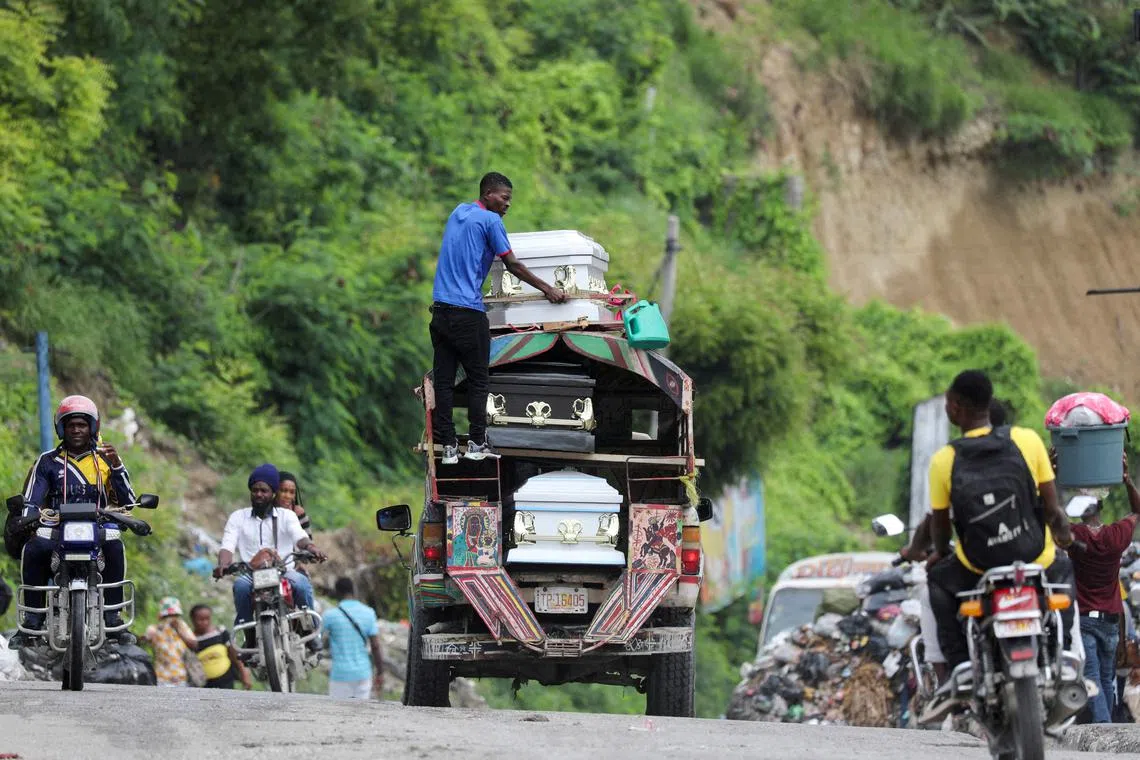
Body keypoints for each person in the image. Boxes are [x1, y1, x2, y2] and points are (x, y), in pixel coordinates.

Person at [924, 370, 1074, 713]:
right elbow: (1053, 510)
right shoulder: (1027, 440)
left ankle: (960, 666)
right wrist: (1065, 536)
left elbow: (941, 529)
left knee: (937, 581)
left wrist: (939, 553)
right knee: (1064, 572)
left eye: (948, 402)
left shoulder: (944, 460)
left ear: (957, 407)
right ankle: (1062, 654)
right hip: (1034, 557)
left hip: (977, 566)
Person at [431, 172, 567, 465]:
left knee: (443, 382)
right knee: (479, 381)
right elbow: (513, 264)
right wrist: (549, 290)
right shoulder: (492, 222)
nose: (508, 205)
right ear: (489, 193)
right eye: (504, 198)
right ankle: (478, 442)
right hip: (468, 313)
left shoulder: (459, 212)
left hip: (440, 312)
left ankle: (450, 447)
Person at [9, 395, 138, 648]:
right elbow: (32, 499)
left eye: (82, 424)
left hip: (98, 526)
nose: (77, 430)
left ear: (92, 427)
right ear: (62, 428)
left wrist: (118, 467)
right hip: (56, 527)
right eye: (71, 425)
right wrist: (26, 517)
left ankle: (112, 617)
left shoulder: (106, 458)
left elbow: (129, 503)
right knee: (34, 547)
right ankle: (32, 621)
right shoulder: (47, 461)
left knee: (115, 544)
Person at [901, 396, 1011, 682]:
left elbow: (937, 518)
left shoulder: (958, 463)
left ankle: (950, 670)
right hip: (1026, 558)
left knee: (932, 588)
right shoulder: (1024, 453)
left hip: (976, 565)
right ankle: (1068, 652)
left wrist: (929, 551)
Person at [213, 464, 327, 646]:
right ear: (250, 492)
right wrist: (223, 564)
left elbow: (300, 537)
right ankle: (249, 635)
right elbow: (227, 545)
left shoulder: (287, 516)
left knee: (302, 585)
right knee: (240, 587)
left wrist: (311, 548)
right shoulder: (237, 517)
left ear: (273, 493)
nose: (259, 494)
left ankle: (310, 630)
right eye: (255, 490)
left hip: (284, 572)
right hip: (251, 573)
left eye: (264, 491)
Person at [1066, 458, 1140, 723]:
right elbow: (1138, 511)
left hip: (1085, 619)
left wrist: (1049, 475)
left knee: (1094, 678)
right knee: (1107, 679)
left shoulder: (1074, 537)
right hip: (1110, 621)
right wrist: (1127, 479)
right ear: (1100, 507)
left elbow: (1049, 519)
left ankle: (1104, 727)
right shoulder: (1116, 535)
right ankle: (1108, 728)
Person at [322, 576, 384, 700]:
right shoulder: (369, 613)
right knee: (360, 714)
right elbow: (375, 646)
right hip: (363, 674)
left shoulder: (330, 615)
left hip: (340, 675)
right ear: (353, 591)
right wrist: (380, 672)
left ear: (337, 593)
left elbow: (317, 639)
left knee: (338, 713)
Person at [190, 604, 252, 690]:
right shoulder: (191, 640)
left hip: (226, 680)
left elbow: (234, 653)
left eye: (207, 618)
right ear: (192, 619)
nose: (205, 622)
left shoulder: (220, 632)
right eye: (200, 620)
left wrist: (244, 673)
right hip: (203, 684)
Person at [143, 597, 197, 687]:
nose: (171, 619)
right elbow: (145, 640)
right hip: (161, 677)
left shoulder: (182, 626)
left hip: (180, 676)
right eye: (168, 616)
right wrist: (147, 637)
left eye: (174, 616)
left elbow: (194, 645)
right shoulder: (154, 629)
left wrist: (178, 630)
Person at [276, 471, 312, 538]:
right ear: (275, 490)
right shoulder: (267, 510)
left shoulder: (298, 512)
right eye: (283, 491)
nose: (288, 496)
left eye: (292, 492)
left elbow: (308, 539)